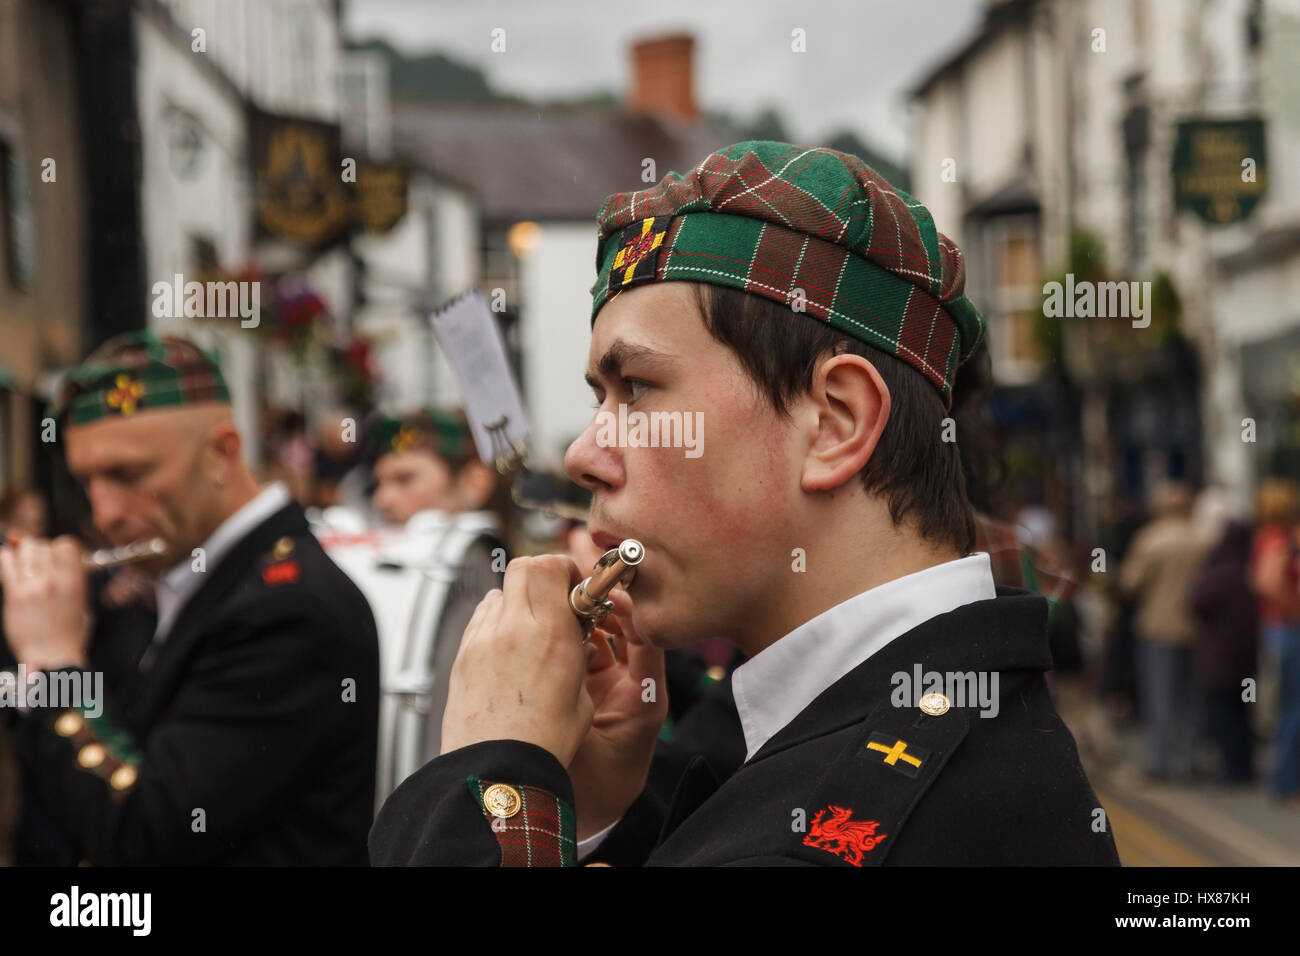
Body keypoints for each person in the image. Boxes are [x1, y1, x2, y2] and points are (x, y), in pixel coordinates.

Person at [369, 140, 1119, 866]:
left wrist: (495, 777)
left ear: (834, 423)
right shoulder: (883, 724)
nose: (581, 455)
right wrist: (601, 803)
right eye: (600, 397)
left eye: (639, 389)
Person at [0, 332, 379, 864]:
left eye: (129, 475)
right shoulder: (202, 576)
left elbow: (143, 833)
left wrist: (52, 665)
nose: (105, 514)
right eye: (87, 482)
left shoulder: (289, 608)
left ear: (222, 453)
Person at [311, 409, 505, 806]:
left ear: (474, 481)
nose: (382, 498)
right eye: (380, 481)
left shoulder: (478, 562)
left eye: (405, 480)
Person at [1118, 481, 1211, 781]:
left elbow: (1129, 584)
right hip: (1197, 629)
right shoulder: (1203, 540)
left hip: (1157, 627)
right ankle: (1188, 761)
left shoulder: (1150, 540)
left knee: (1160, 697)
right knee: (1191, 699)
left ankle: (1160, 762)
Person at [1190, 520, 1258, 783]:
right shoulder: (1249, 569)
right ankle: (1244, 765)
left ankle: (1231, 767)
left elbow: (1196, 604)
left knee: (1223, 711)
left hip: (1220, 655)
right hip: (1247, 656)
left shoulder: (1217, 573)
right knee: (1244, 709)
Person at [1248, 478, 1300, 804]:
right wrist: (1294, 610)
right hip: (1286, 629)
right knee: (1293, 706)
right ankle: (1284, 781)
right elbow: (1266, 581)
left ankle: (1284, 780)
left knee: (1288, 704)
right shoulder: (1278, 538)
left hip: (1276, 629)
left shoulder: (1266, 536)